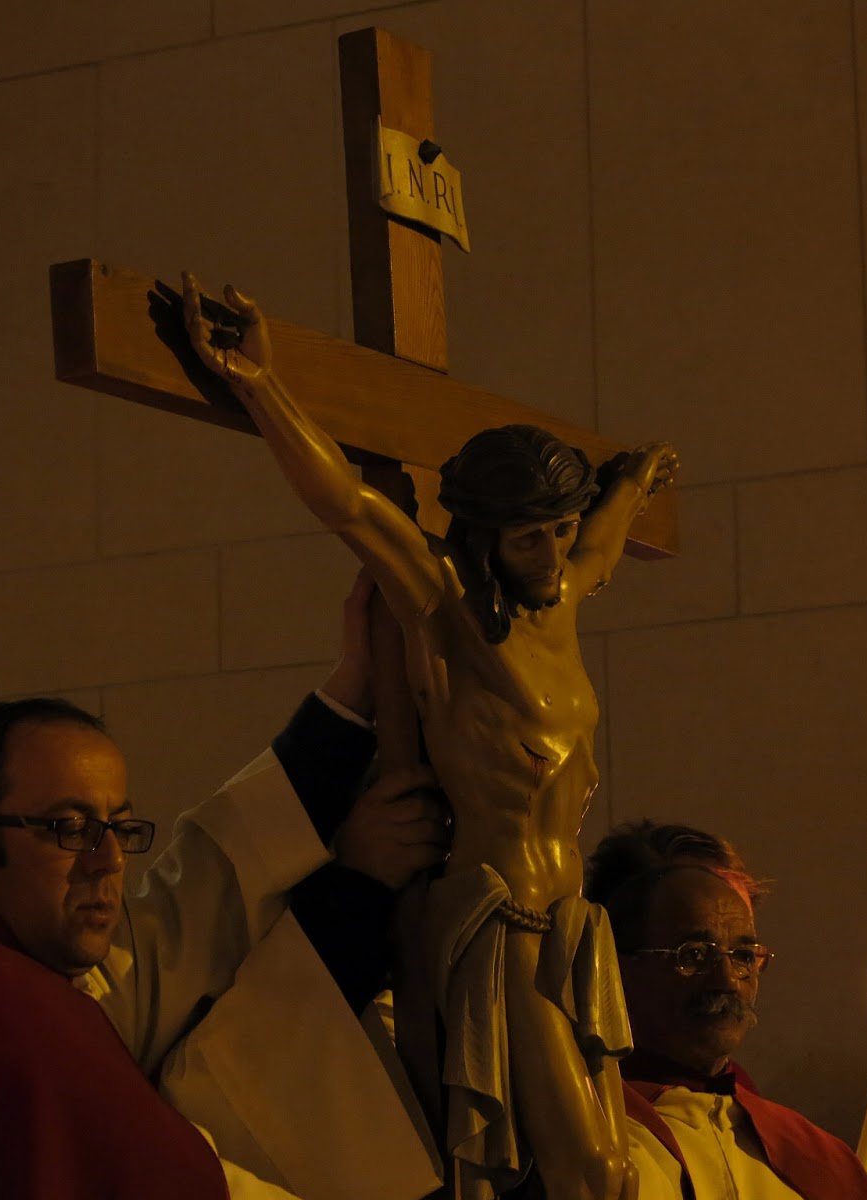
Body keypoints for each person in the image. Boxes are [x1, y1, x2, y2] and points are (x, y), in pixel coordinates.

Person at [184, 272, 678, 1200]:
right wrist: (261, 385)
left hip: (574, 926)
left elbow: (609, 536)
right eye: (529, 538)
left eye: (560, 531)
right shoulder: (448, 609)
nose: (550, 554)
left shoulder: (563, 593)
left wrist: (638, 477)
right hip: (504, 924)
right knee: (593, 1174)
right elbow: (347, 506)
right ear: (484, 537)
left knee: (614, 1176)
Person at [0, 584, 448, 1199]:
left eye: (118, 827)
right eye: (70, 828)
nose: (108, 860)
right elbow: (166, 1176)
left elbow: (192, 908)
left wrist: (349, 701)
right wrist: (354, 893)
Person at [585, 820, 867, 1200]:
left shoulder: (816, 1157)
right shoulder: (574, 1135)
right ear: (611, 958)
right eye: (693, 952)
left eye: (742, 953)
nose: (726, 979)